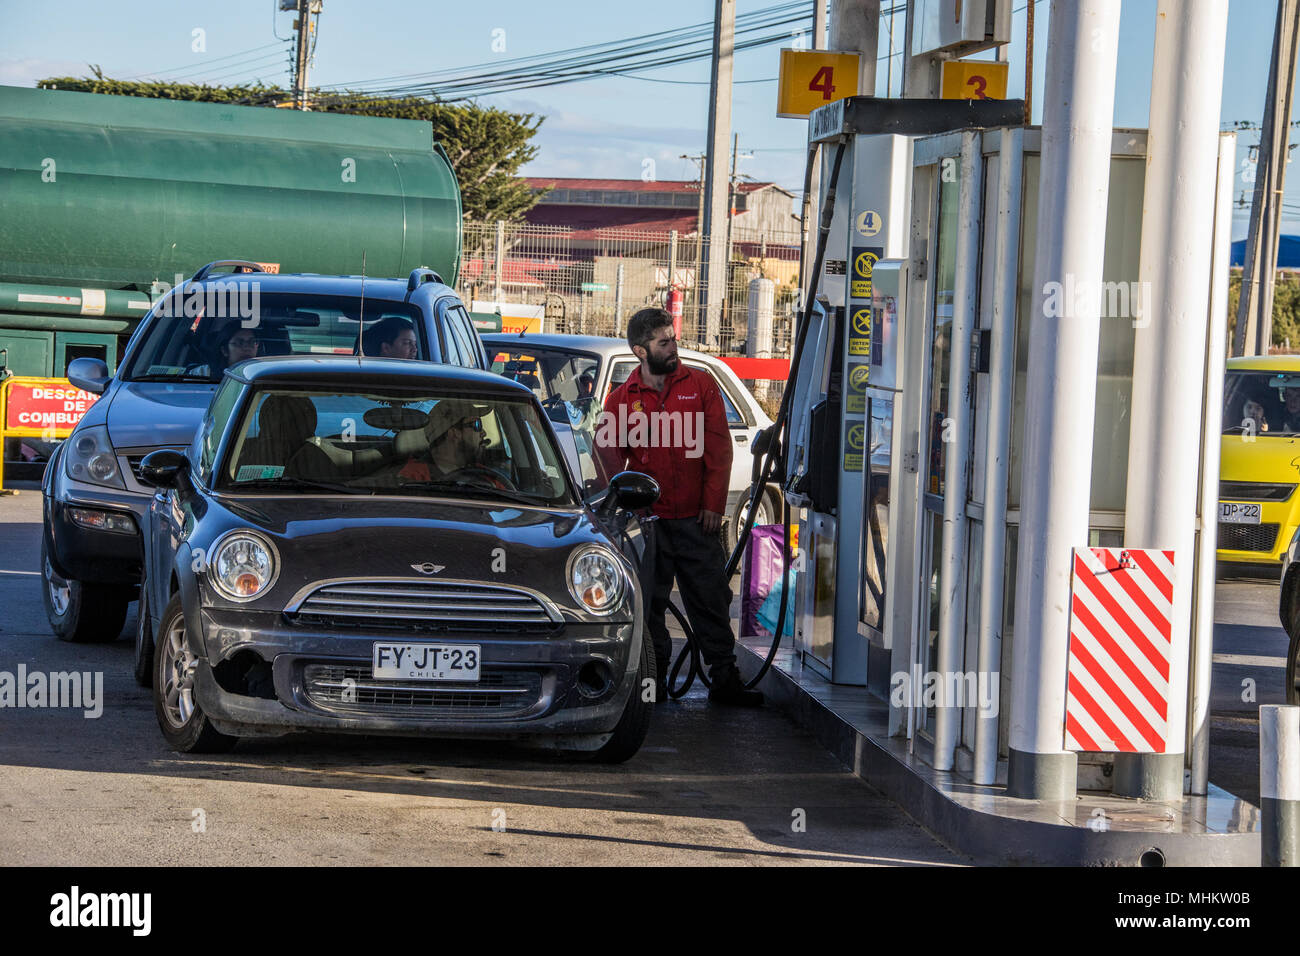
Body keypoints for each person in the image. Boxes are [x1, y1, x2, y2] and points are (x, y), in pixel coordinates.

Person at [599, 307, 762, 707]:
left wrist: (712, 505)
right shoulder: (621, 400)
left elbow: (719, 449)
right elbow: (606, 459)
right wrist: (623, 512)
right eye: (663, 342)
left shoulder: (701, 385)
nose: (674, 347)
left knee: (710, 598)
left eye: (673, 338)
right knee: (650, 606)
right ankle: (652, 685)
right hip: (648, 525)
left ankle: (724, 680)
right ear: (640, 351)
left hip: (695, 520)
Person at [397, 399, 509, 488]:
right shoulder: (411, 477)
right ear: (454, 433)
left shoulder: (488, 477)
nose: (483, 433)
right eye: (476, 425)